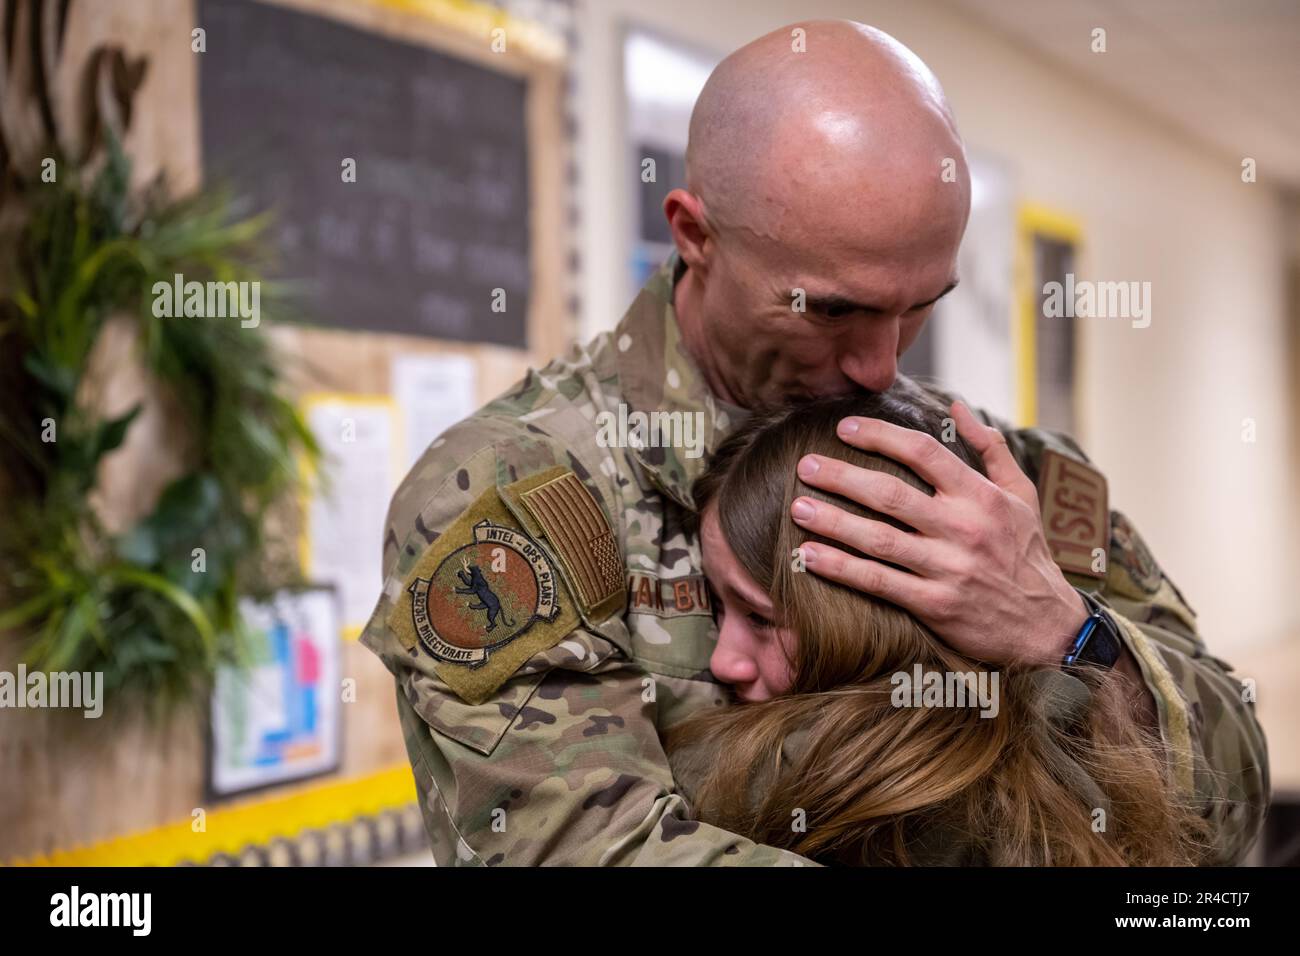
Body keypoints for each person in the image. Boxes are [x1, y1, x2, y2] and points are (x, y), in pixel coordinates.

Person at [359, 19, 1267, 865]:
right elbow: (583, 849)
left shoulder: (1003, 479)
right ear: (693, 234)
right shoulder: (523, 492)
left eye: (921, 308)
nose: (879, 363)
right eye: (834, 308)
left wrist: (1063, 633)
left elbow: (1229, 810)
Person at [665, 390, 1212, 865]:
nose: (722, 661)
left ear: (881, 613)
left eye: (761, 617)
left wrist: (1064, 626)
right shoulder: (1060, 771)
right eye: (718, 606)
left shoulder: (727, 784)